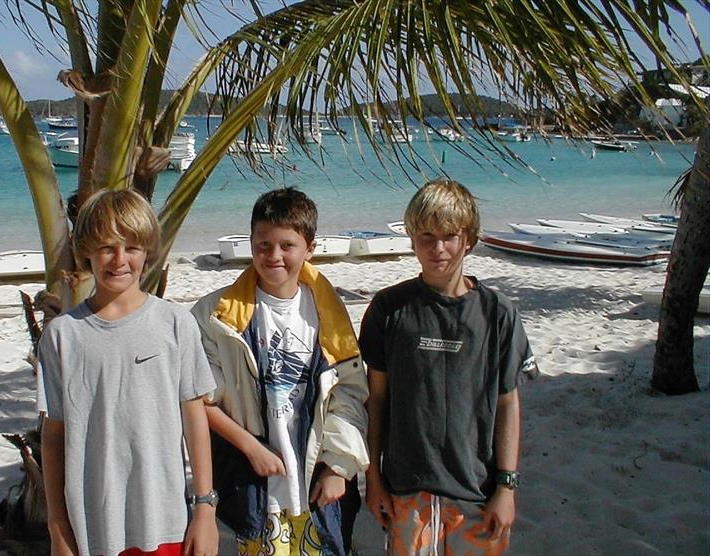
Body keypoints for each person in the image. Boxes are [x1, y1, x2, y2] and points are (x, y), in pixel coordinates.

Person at [360, 179, 539, 555]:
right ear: (412, 239)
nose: (437, 248)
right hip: (407, 488)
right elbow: (376, 400)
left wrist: (506, 487)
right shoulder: (389, 309)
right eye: (426, 236)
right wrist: (373, 477)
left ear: (468, 239)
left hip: (476, 491)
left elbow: (508, 403)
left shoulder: (498, 313)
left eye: (449, 236)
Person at [38, 189, 219, 556]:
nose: (120, 260)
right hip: (90, 527)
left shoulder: (175, 323)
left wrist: (205, 509)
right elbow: (53, 436)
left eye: (132, 247)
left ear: (147, 251)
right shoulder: (62, 336)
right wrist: (57, 527)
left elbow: (195, 417)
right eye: (107, 247)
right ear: (87, 250)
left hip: (165, 521)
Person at [191, 187, 369, 556]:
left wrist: (338, 467)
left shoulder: (328, 312)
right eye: (263, 244)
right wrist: (251, 446)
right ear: (251, 243)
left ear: (310, 249)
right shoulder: (215, 315)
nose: (274, 256)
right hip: (255, 486)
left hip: (317, 484)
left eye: (287, 245)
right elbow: (200, 399)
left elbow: (349, 392)